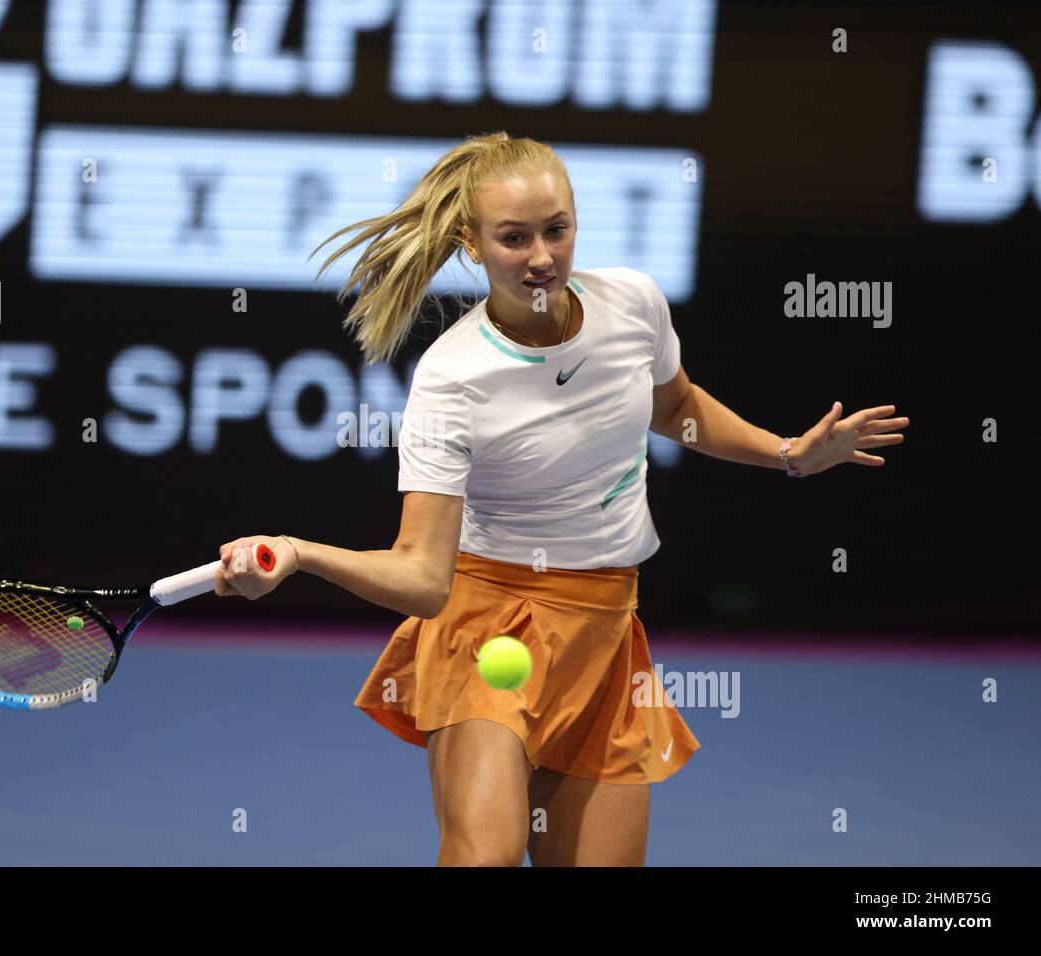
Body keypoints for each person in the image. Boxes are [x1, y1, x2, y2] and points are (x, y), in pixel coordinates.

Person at [212, 131, 909, 866]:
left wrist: (790, 455)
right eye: (513, 238)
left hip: (603, 628)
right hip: (486, 628)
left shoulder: (634, 305)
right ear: (471, 245)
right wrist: (298, 552)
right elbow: (421, 578)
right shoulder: (452, 379)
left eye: (557, 229)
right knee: (485, 857)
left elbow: (675, 409)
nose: (541, 256)